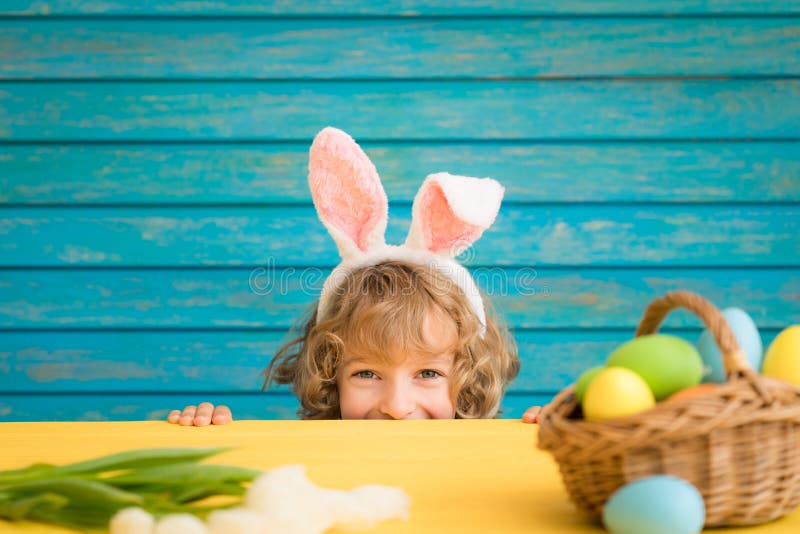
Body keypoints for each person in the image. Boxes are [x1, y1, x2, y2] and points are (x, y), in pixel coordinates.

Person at [168, 127, 541, 425]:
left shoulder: (491, 458)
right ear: (330, 377)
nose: (397, 407)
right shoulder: (310, 465)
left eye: (428, 373)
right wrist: (203, 434)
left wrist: (558, 432)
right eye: (366, 374)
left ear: (469, 377)